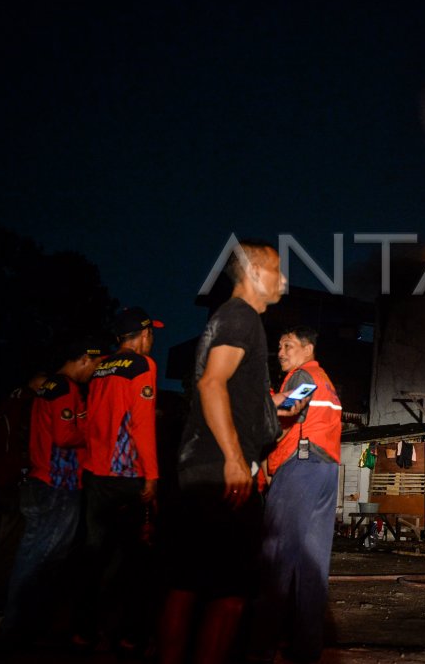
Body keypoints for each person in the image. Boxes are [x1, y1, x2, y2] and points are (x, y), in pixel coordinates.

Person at [157, 238, 289, 664]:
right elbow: (211, 383)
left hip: (200, 465)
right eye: (276, 270)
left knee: (188, 582)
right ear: (253, 272)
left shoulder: (228, 318)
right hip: (219, 468)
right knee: (231, 592)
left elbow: (228, 388)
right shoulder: (241, 316)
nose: (283, 281)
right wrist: (235, 459)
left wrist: (270, 411)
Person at [0, 339, 105, 646]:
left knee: (32, 554)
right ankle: (21, 629)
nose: (95, 372)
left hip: (41, 479)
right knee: (43, 557)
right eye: (96, 365)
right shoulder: (65, 388)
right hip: (57, 484)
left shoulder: (48, 386)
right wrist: (94, 429)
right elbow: (65, 436)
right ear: (85, 359)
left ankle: (18, 625)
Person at [248, 326, 343, 664]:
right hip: (326, 471)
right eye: (279, 346)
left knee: (276, 557)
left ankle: (260, 647)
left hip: (301, 467)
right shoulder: (326, 381)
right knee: (311, 566)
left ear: (308, 348)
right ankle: (307, 649)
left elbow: (287, 409)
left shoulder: (304, 375)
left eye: (288, 345)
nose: (281, 352)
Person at [73, 306, 163, 656]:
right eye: (151, 333)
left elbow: (90, 421)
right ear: (143, 335)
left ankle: (84, 630)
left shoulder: (101, 368)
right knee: (136, 559)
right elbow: (142, 423)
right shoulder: (142, 365)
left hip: (96, 473)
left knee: (95, 555)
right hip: (126, 475)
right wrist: (152, 476)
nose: (152, 340)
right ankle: (129, 635)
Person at [0, 369, 47, 617]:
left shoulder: (11, 398)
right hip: (12, 477)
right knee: (11, 540)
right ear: (36, 382)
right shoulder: (27, 402)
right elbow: (24, 441)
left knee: (1, 537)